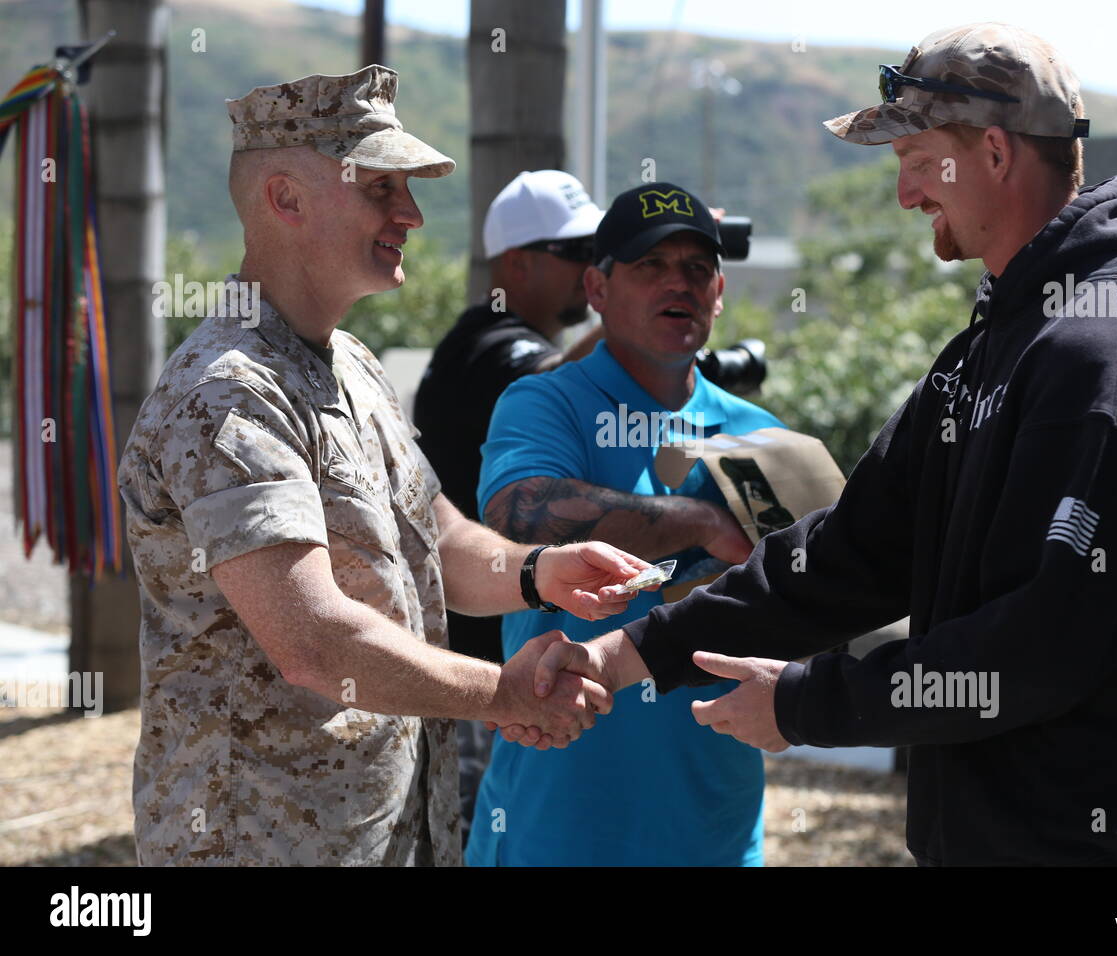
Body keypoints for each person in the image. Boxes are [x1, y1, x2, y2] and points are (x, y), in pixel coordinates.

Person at [520, 23, 1117, 866]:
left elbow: (1040, 651)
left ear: (994, 153)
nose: (905, 194)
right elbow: (851, 554)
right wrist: (630, 651)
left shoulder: (1102, 351)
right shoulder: (995, 345)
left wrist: (806, 702)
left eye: (916, 160)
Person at [116, 66, 648, 866]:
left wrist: (540, 569)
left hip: (379, 831)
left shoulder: (351, 364)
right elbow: (314, 641)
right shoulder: (229, 394)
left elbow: (437, 541)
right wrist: (500, 693)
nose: (413, 215)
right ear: (285, 199)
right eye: (381, 189)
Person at [465, 182, 783, 866]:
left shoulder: (762, 435)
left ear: (720, 291)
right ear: (597, 289)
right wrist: (699, 523)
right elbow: (518, 507)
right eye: (650, 266)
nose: (680, 283)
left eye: (697, 268)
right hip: (551, 830)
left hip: (715, 835)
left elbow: (809, 605)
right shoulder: (543, 402)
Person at [413, 170, 604, 837]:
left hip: (497, 662)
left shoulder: (489, 342)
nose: (593, 271)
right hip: (480, 670)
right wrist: (643, 308)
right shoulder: (486, 347)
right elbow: (549, 384)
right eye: (578, 254)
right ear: (515, 263)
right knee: (483, 839)